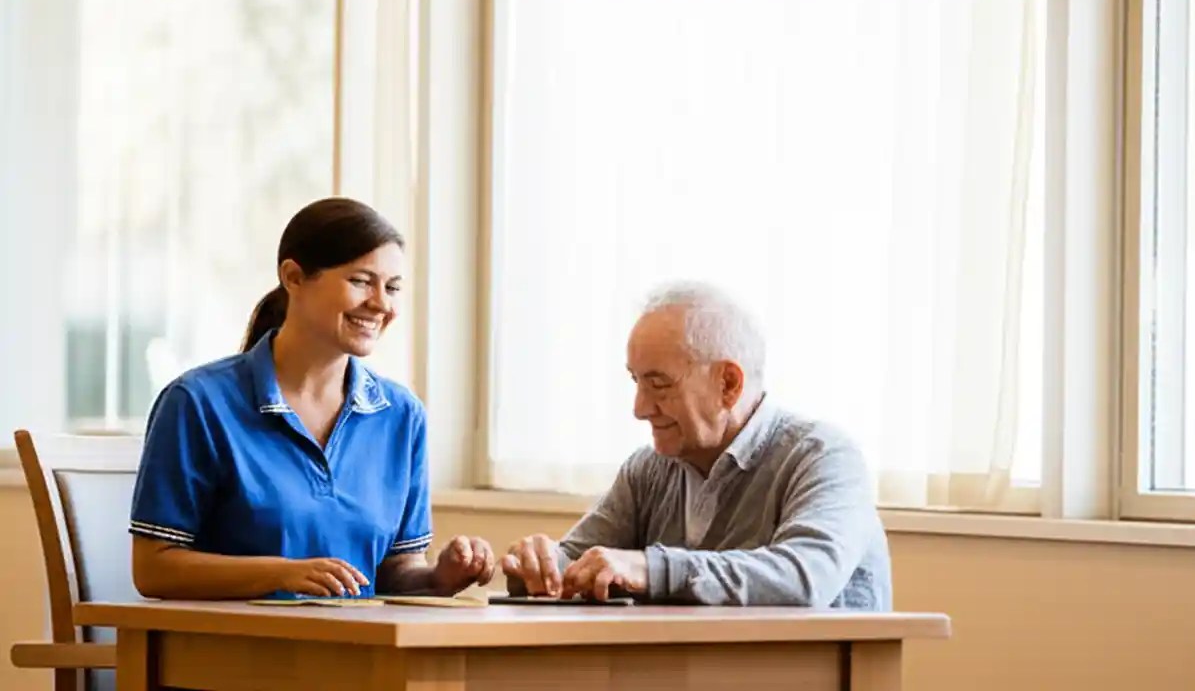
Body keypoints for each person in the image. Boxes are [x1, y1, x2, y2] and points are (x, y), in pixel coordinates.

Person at [130, 197, 494, 600]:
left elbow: (394, 572)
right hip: (232, 654)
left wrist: (439, 578)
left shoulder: (402, 416)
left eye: (391, 287)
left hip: (356, 654)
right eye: (360, 281)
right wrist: (281, 575)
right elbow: (153, 568)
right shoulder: (197, 403)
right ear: (294, 277)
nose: (382, 304)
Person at [501, 282, 891, 608]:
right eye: (635, 381)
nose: (639, 409)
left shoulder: (823, 456)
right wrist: (542, 565)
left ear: (728, 384)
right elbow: (580, 561)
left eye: (659, 385)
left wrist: (651, 569)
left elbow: (806, 578)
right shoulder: (648, 470)